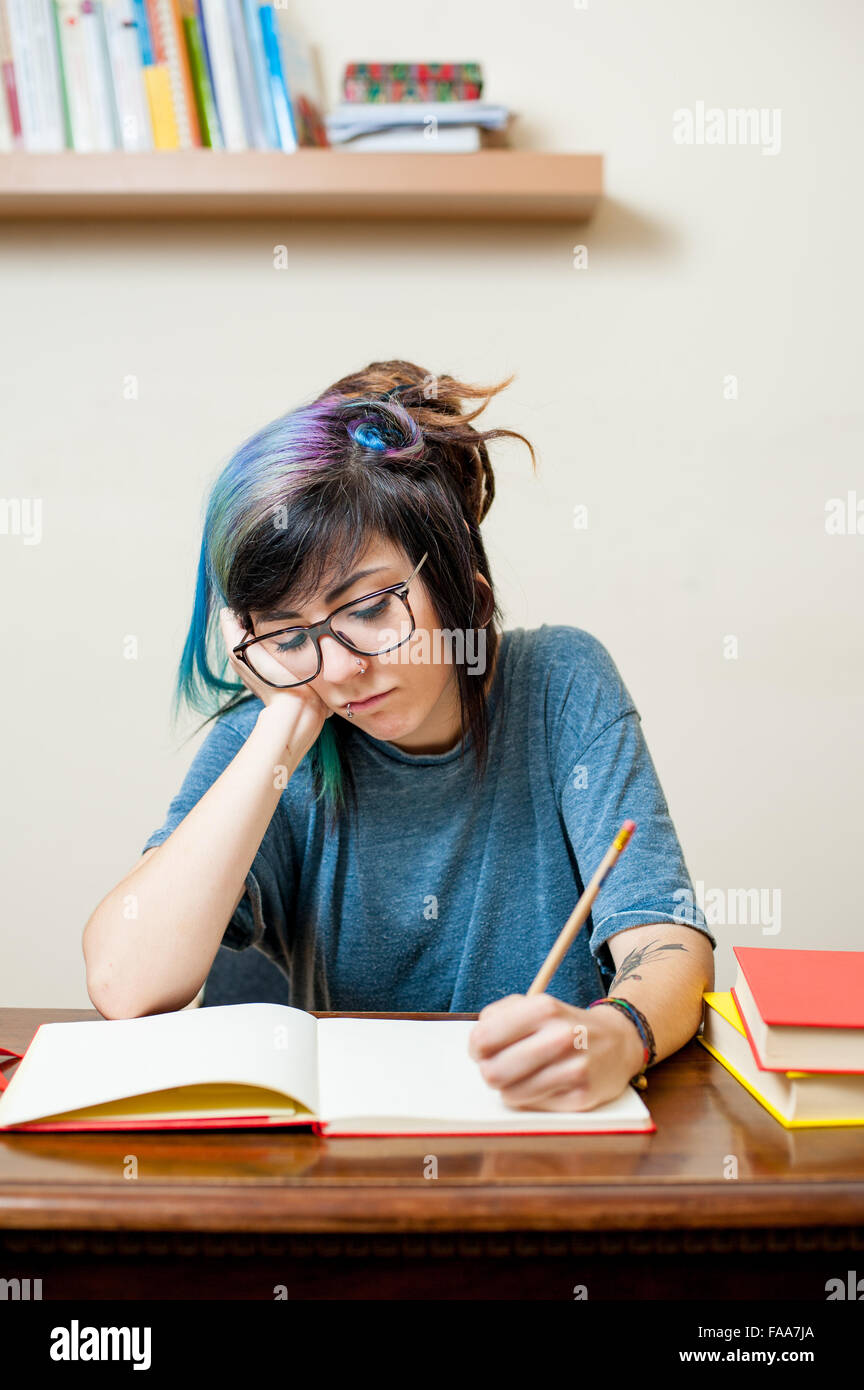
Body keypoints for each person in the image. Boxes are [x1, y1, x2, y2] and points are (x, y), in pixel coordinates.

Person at [83, 359, 715, 1112]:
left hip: (548, 1152)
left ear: (463, 588)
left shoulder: (560, 683)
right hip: (353, 1172)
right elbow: (126, 983)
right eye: (288, 634)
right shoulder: (272, 737)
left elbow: (664, 939)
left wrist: (614, 1035)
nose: (342, 669)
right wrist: (287, 721)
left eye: (370, 608)